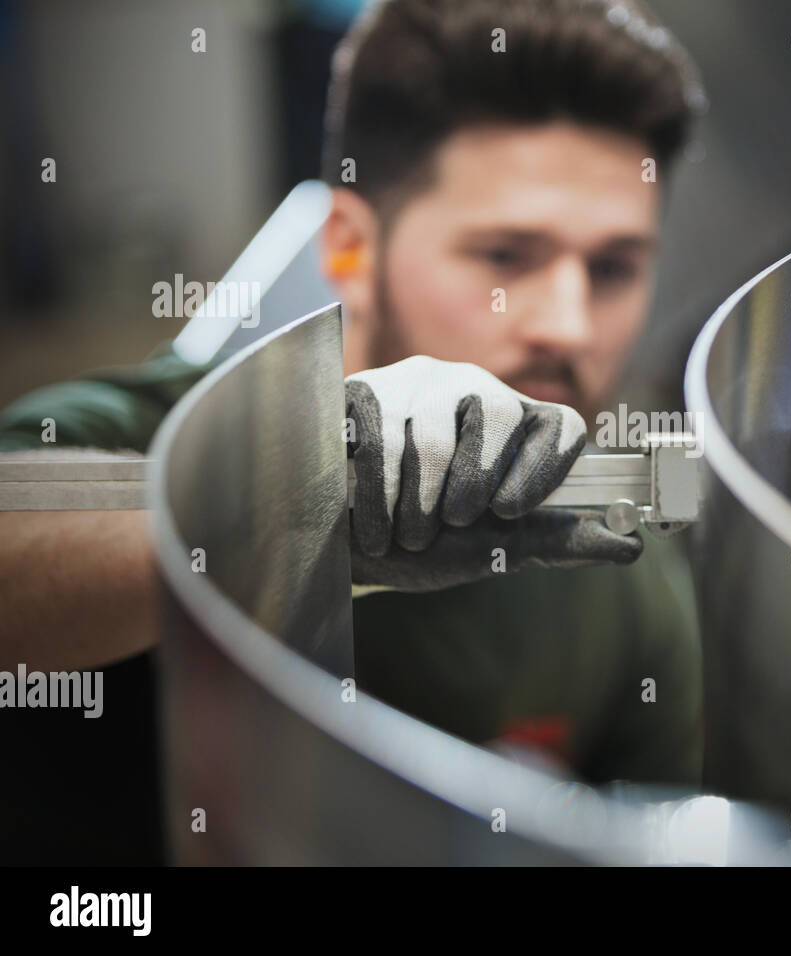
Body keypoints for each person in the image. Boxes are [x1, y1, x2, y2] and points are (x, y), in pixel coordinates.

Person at [0, 0, 707, 861]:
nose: (567, 322)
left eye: (612, 268)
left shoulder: (620, 568)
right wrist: (282, 502)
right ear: (348, 249)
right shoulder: (130, 437)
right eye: (504, 257)